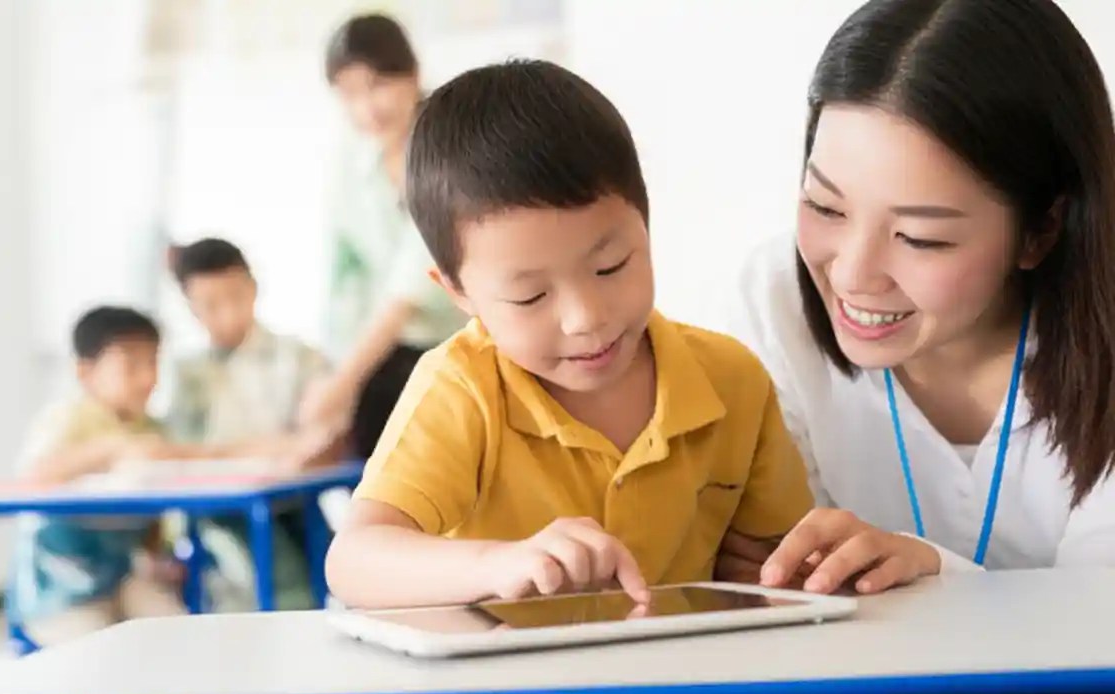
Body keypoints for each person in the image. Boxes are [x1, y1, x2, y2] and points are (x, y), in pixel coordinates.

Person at [325, 60, 814, 609]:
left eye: (611, 266)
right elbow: (354, 561)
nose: (585, 317)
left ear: (646, 227)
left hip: (682, 684)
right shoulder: (462, 390)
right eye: (530, 297)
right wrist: (497, 563)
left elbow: (779, 564)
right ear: (458, 293)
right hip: (514, 692)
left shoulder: (732, 380)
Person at [722, 0, 1115, 596]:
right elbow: (776, 582)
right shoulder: (771, 301)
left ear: (1042, 229)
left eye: (919, 237)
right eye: (825, 207)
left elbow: (1097, 628)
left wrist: (933, 576)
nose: (854, 275)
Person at [304, 13, 466, 459]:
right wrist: (335, 372)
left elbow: (408, 286)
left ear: (411, 74)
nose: (367, 108)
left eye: (378, 85)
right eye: (349, 94)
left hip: (465, 338)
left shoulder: (448, 147)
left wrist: (343, 381)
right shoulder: (349, 163)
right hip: (390, 352)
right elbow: (346, 278)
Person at [165, 238, 340, 611]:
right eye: (210, 305)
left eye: (235, 296)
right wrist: (270, 446)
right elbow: (176, 453)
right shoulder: (186, 373)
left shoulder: (299, 358)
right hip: (219, 514)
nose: (227, 314)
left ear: (253, 287)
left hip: (294, 505)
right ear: (190, 309)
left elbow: (321, 440)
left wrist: (220, 453)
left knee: (326, 582)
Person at [7, 306, 192, 644]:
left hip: (122, 578)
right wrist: (111, 448)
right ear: (85, 373)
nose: (147, 378)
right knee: (101, 652)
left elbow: (155, 517)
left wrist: (158, 556)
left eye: (153, 362)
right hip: (59, 591)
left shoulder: (153, 429)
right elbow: (34, 476)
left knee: (180, 634)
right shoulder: (68, 419)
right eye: (131, 365)